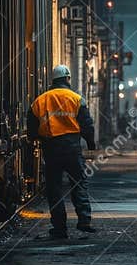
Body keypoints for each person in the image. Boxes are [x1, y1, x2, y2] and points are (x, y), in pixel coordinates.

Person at [27, 64, 96, 239]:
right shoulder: (76, 99)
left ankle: (60, 228)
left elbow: (31, 128)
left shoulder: (40, 100)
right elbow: (87, 125)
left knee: (54, 188)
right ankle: (84, 221)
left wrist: (37, 138)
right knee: (78, 182)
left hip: (51, 148)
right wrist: (91, 144)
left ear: (53, 80)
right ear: (67, 79)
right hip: (72, 147)